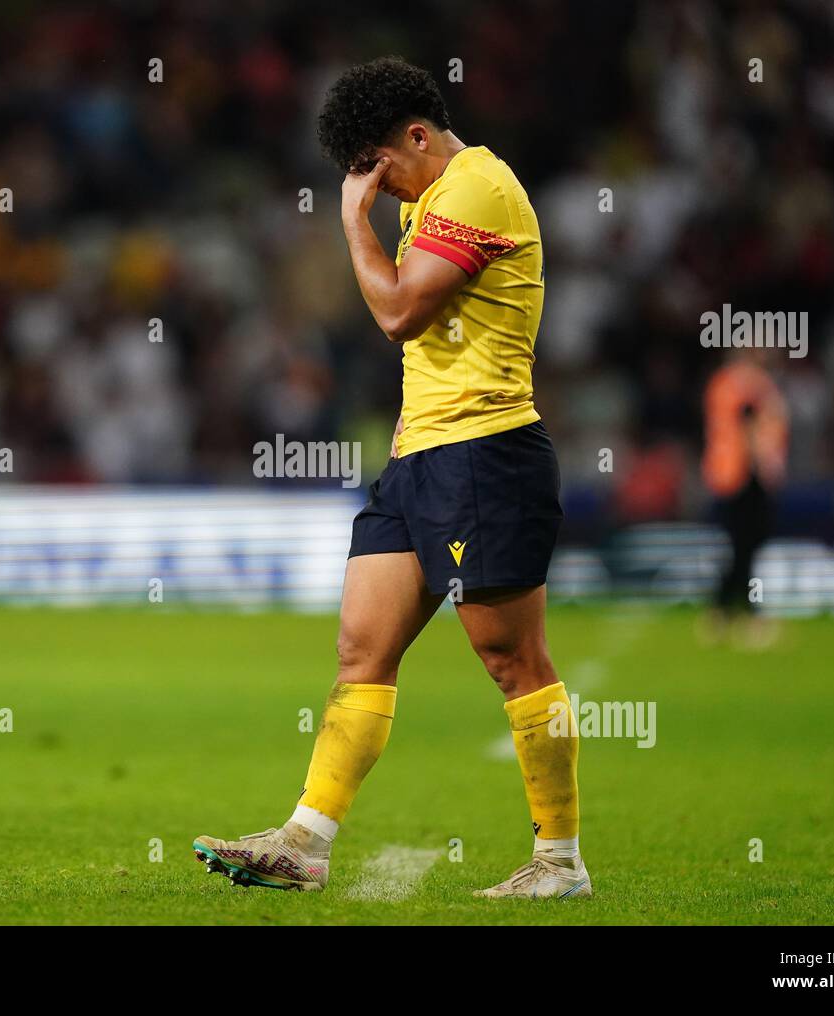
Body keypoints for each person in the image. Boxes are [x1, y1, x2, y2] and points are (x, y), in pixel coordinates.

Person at [194, 57, 589, 899]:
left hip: (487, 453)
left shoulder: (479, 187)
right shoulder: (434, 203)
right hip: (419, 460)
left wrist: (351, 225)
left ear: (418, 135)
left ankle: (560, 863)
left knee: (512, 657)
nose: (386, 191)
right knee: (360, 650)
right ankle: (306, 840)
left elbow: (399, 311)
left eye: (385, 170)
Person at [701, 349, 788, 645]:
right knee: (746, 546)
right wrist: (765, 466)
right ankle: (745, 614)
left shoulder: (723, 382)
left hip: (727, 474)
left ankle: (722, 613)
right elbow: (748, 426)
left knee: (740, 547)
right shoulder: (748, 385)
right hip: (744, 475)